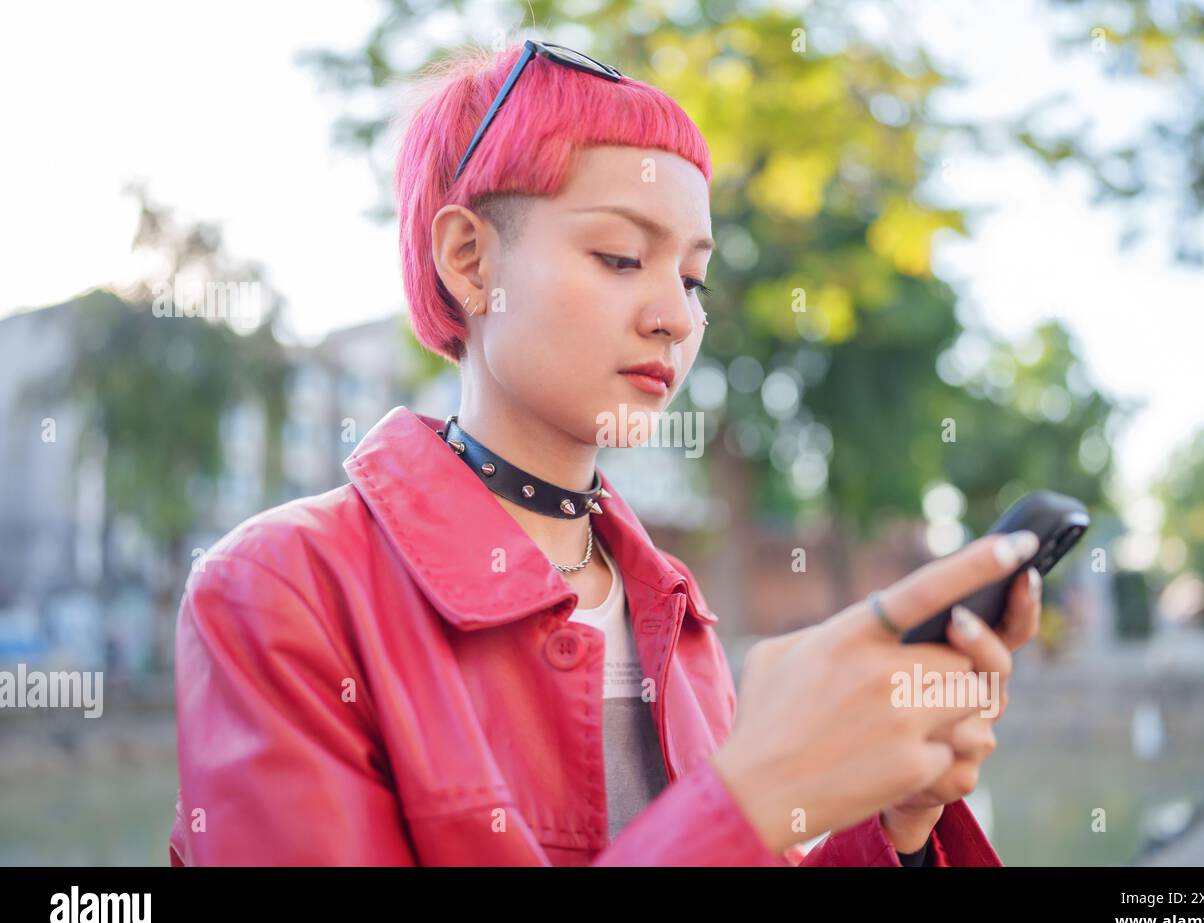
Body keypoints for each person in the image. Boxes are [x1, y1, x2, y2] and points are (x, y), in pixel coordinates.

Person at [168, 39, 1043, 866]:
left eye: (693, 279)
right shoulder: (284, 590)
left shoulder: (675, 612)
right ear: (469, 262)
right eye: (622, 257)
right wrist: (755, 795)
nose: (677, 318)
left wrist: (894, 826)